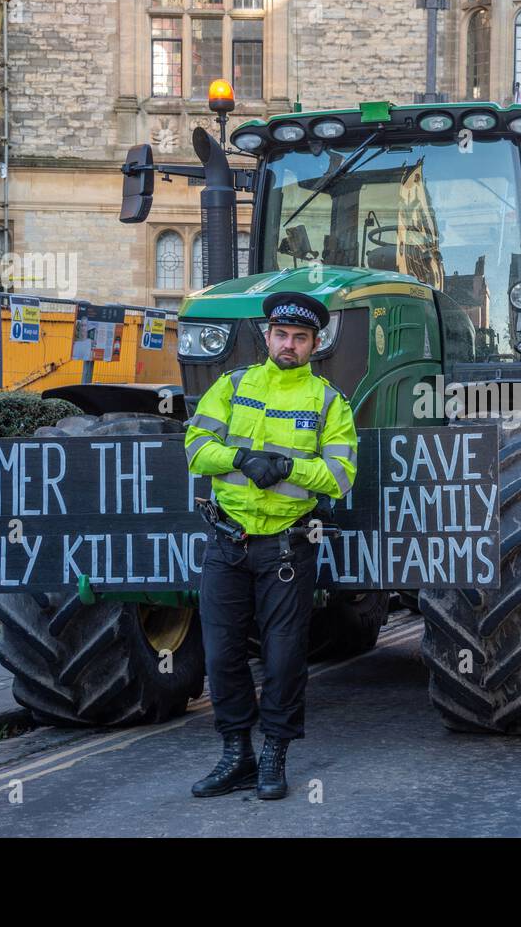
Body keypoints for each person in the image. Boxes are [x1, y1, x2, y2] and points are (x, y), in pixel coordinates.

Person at [183, 291, 358, 801]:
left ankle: (275, 754)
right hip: (227, 543)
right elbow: (195, 447)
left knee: (283, 660)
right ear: (267, 337)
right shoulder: (233, 386)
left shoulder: (328, 402)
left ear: (314, 344)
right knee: (222, 656)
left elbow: (341, 475)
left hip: (286, 550)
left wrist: (287, 466)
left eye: (300, 338)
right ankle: (237, 754)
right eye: (281, 335)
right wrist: (241, 459)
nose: (289, 344)